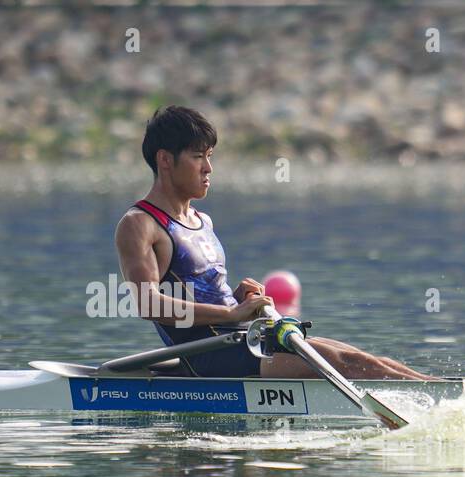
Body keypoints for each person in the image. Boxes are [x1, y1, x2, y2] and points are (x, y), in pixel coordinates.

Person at [114, 106, 431, 380]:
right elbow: (148, 303)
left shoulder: (203, 220)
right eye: (198, 157)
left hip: (244, 342)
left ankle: (446, 393)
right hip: (210, 359)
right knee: (343, 363)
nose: (208, 169)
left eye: (210, 157)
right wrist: (233, 314)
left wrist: (237, 300)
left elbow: (201, 292)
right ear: (166, 160)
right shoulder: (139, 224)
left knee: (361, 359)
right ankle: (439, 404)